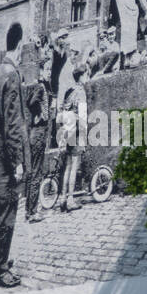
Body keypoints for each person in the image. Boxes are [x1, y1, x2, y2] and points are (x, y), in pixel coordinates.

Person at [0, 22, 31, 287]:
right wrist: (17, 162)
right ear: (19, 45)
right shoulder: (11, 75)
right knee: (7, 214)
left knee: (2, 212)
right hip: (7, 160)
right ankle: (1, 270)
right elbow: (14, 124)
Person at [24, 59, 52, 223]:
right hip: (38, 132)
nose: (49, 73)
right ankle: (32, 212)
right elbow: (31, 102)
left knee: (33, 172)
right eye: (47, 70)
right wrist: (39, 114)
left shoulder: (40, 86)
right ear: (41, 71)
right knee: (36, 173)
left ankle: (29, 210)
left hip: (37, 132)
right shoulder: (40, 87)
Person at [58, 62, 88, 212]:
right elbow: (82, 117)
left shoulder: (69, 91)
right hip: (76, 131)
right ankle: (70, 200)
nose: (87, 77)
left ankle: (62, 198)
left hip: (67, 130)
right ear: (81, 76)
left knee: (68, 166)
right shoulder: (81, 92)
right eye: (86, 74)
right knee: (74, 166)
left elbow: (63, 110)